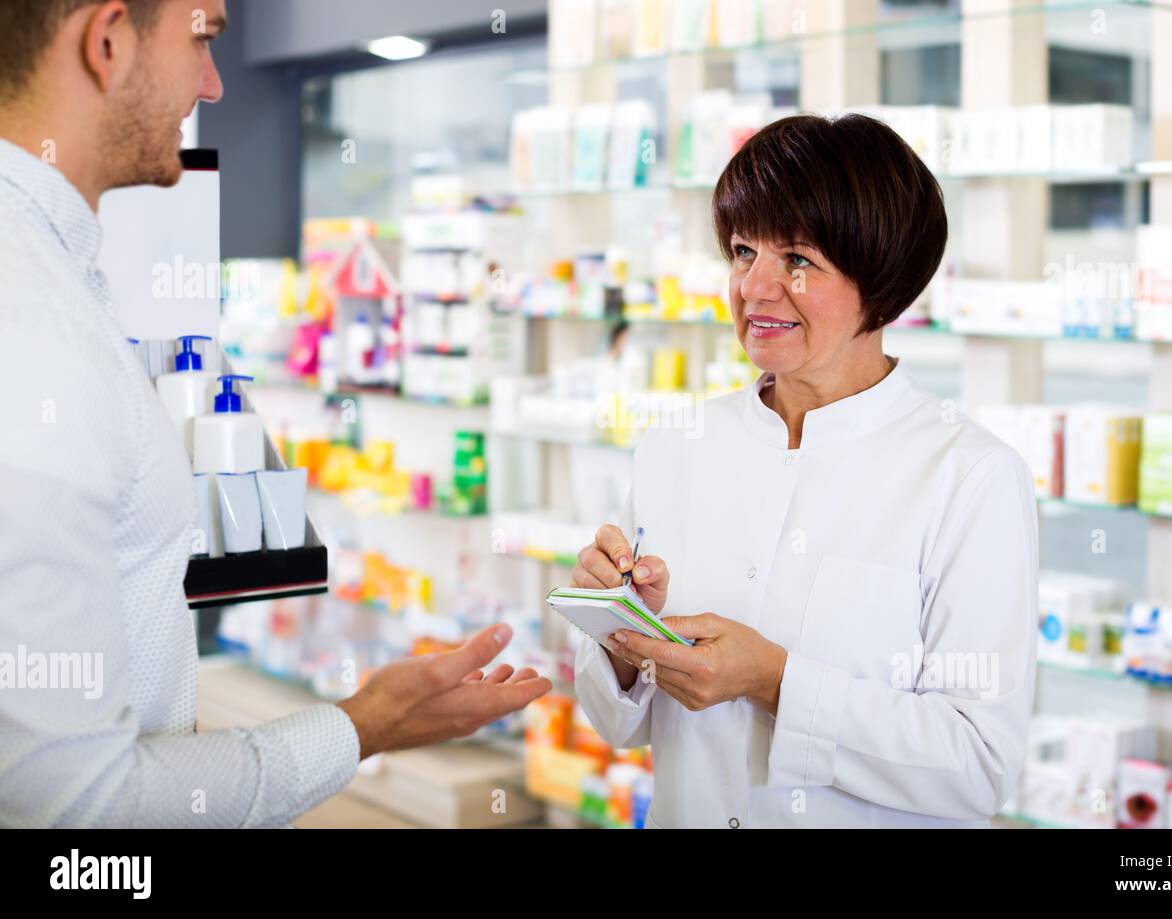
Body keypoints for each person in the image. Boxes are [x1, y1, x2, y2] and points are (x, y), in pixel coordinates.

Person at [0, 0, 549, 828]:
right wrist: (363, 726)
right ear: (108, 42)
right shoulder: (38, 323)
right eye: (204, 39)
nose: (216, 84)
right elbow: (78, 811)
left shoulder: (53, 277)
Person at [572, 113, 1038, 828]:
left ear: (882, 281)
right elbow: (622, 725)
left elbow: (978, 764)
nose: (755, 287)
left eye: (796, 259)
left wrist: (777, 682)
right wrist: (620, 636)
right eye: (741, 250)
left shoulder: (969, 476)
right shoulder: (676, 445)